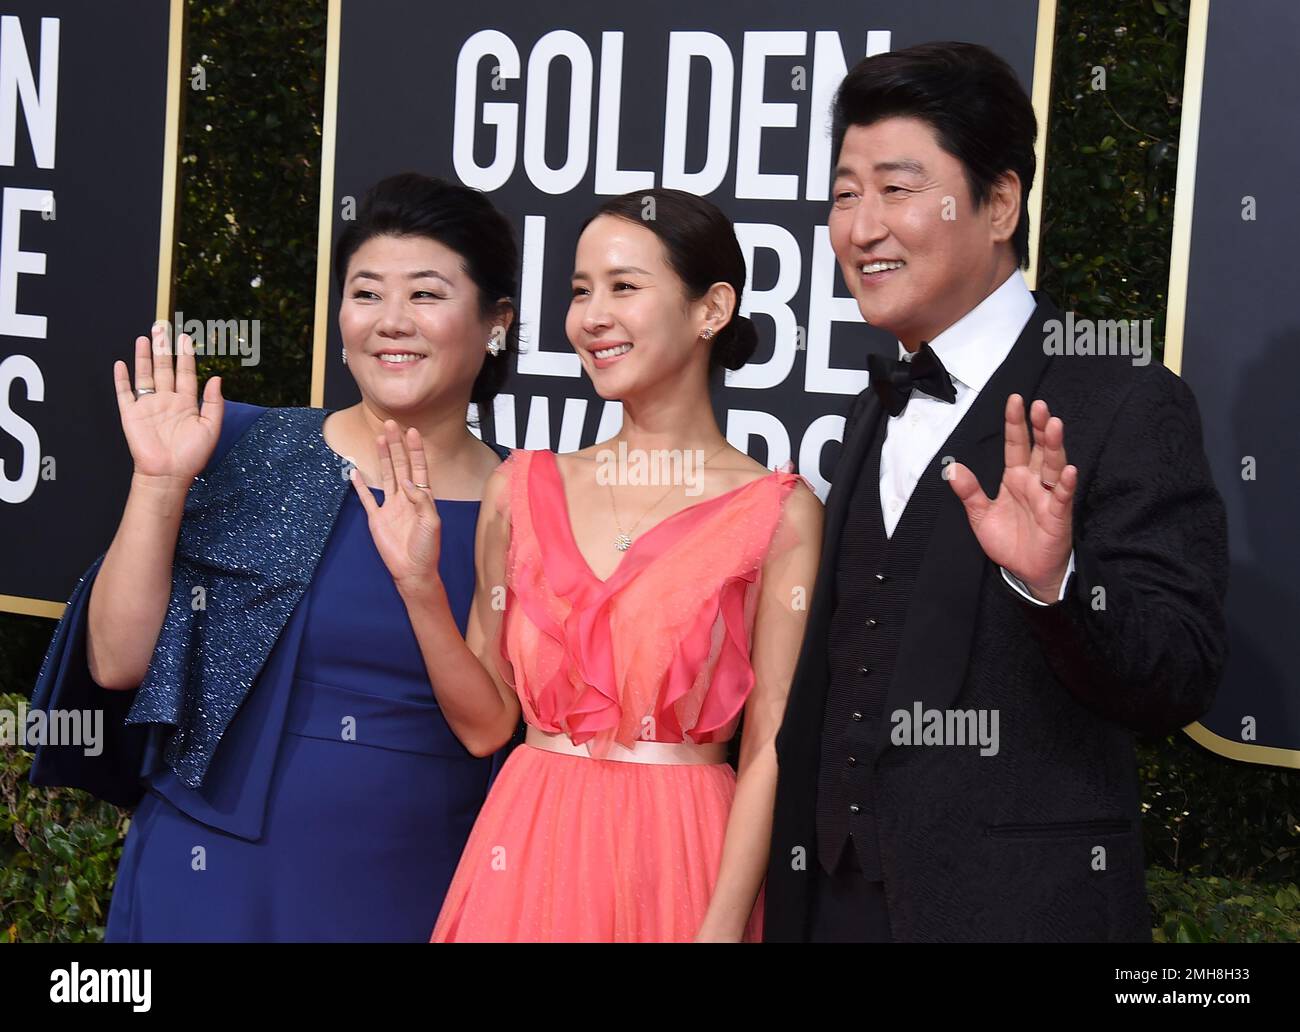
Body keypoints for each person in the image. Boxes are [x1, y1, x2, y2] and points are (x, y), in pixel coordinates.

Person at [763, 42, 1228, 942]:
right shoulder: (871, 408)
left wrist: (1057, 584)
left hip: (1015, 906)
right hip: (832, 901)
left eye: (897, 190)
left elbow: (1181, 671)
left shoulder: (1122, 395)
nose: (862, 228)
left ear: (1000, 202)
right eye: (845, 194)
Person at [28, 172, 522, 941]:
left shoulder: (531, 505)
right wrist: (159, 483)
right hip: (205, 874)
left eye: (426, 295)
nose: (392, 322)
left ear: (496, 322)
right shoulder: (244, 446)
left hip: (412, 885)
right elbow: (117, 661)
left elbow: (500, 727)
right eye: (366, 294)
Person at [357, 188, 823, 941]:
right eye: (579, 292)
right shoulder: (523, 489)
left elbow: (772, 742)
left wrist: (720, 928)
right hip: (527, 859)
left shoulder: (778, 513)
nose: (591, 317)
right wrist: (418, 588)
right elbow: (485, 726)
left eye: (624, 287)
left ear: (711, 309)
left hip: (680, 865)